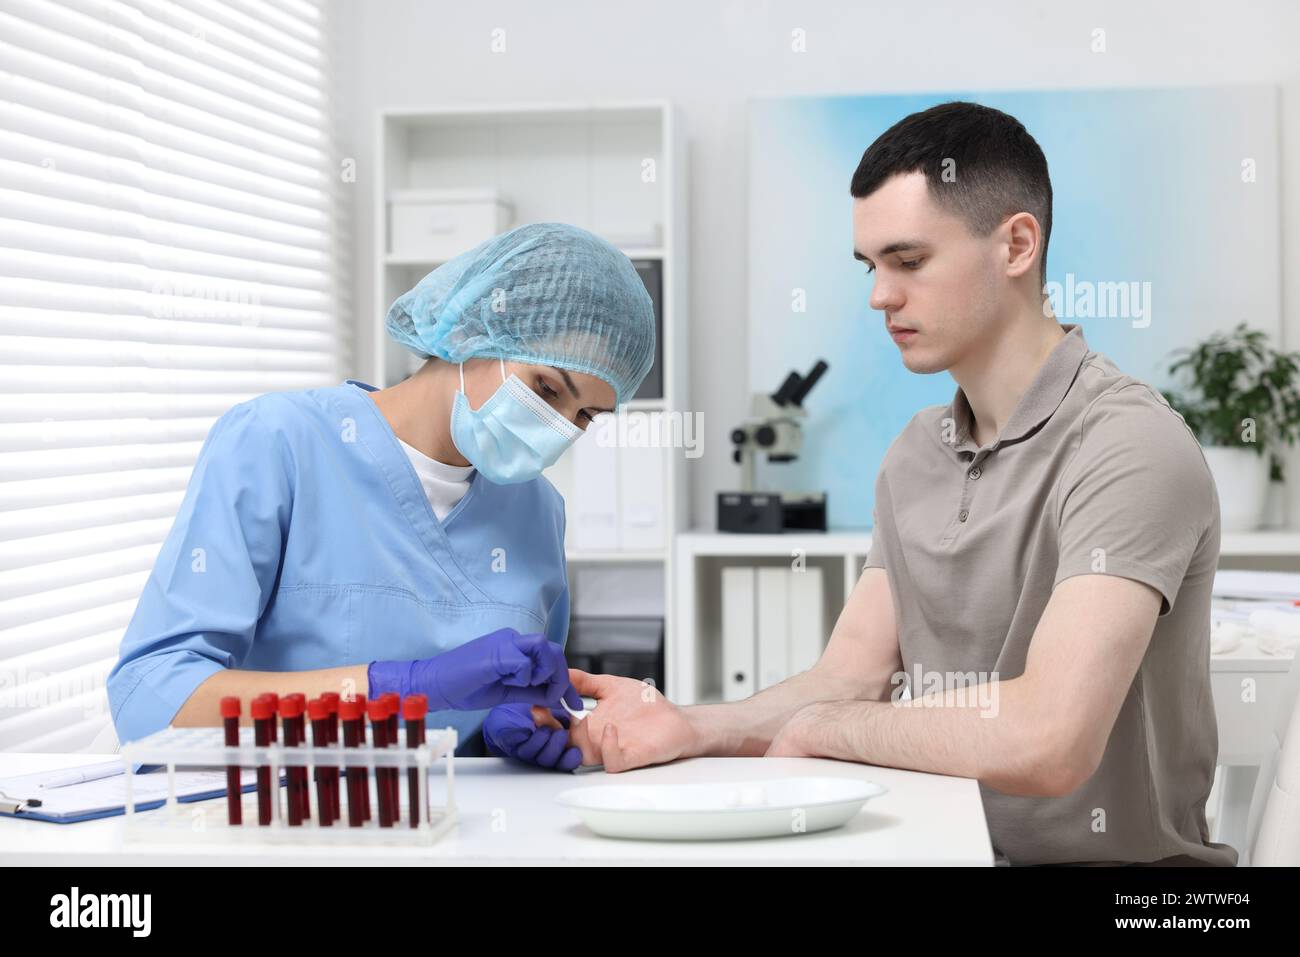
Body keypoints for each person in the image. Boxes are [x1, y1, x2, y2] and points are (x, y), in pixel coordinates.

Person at [507, 103, 1237, 867]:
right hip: (945, 847)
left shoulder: (1128, 444)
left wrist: (828, 727)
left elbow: (1050, 736)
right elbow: (849, 677)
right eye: (870, 266)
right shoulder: (918, 452)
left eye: (909, 261)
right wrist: (691, 724)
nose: (879, 296)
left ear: (1016, 244)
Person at [107, 222, 656, 759]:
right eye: (547, 388)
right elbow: (150, 699)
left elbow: (511, 705)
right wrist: (399, 688)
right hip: (287, 828)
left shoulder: (538, 513)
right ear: (474, 331)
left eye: (585, 413)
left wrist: (506, 732)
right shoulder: (278, 443)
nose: (559, 424)